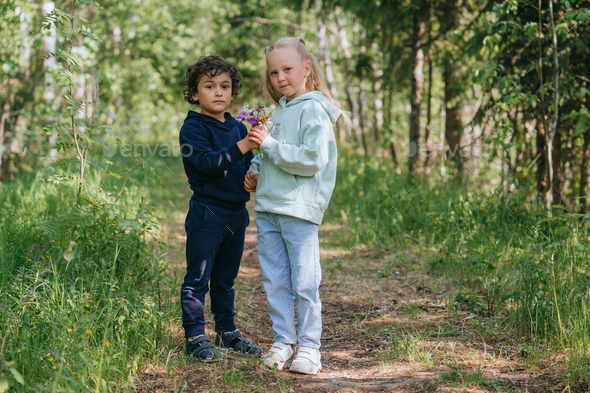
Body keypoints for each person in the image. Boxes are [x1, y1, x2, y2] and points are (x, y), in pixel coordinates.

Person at [245, 37, 349, 375]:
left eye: (287, 69)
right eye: (273, 72)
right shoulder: (280, 109)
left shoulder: (313, 109)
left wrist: (271, 146)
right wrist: (257, 170)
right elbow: (270, 152)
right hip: (269, 208)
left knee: (305, 281)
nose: (280, 78)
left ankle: (309, 347)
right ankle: (283, 341)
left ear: (306, 69)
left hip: (299, 209)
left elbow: (311, 159)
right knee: (275, 279)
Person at [179, 55, 262, 362]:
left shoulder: (239, 128)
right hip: (207, 214)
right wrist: (244, 146)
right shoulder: (193, 129)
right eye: (209, 86)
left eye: (225, 86)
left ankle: (226, 331)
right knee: (198, 279)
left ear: (232, 92)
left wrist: (252, 178)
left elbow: (245, 165)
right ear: (194, 93)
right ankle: (195, 335)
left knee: (225, 279)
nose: (218, 92)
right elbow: (207, 164)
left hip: (236, 215)